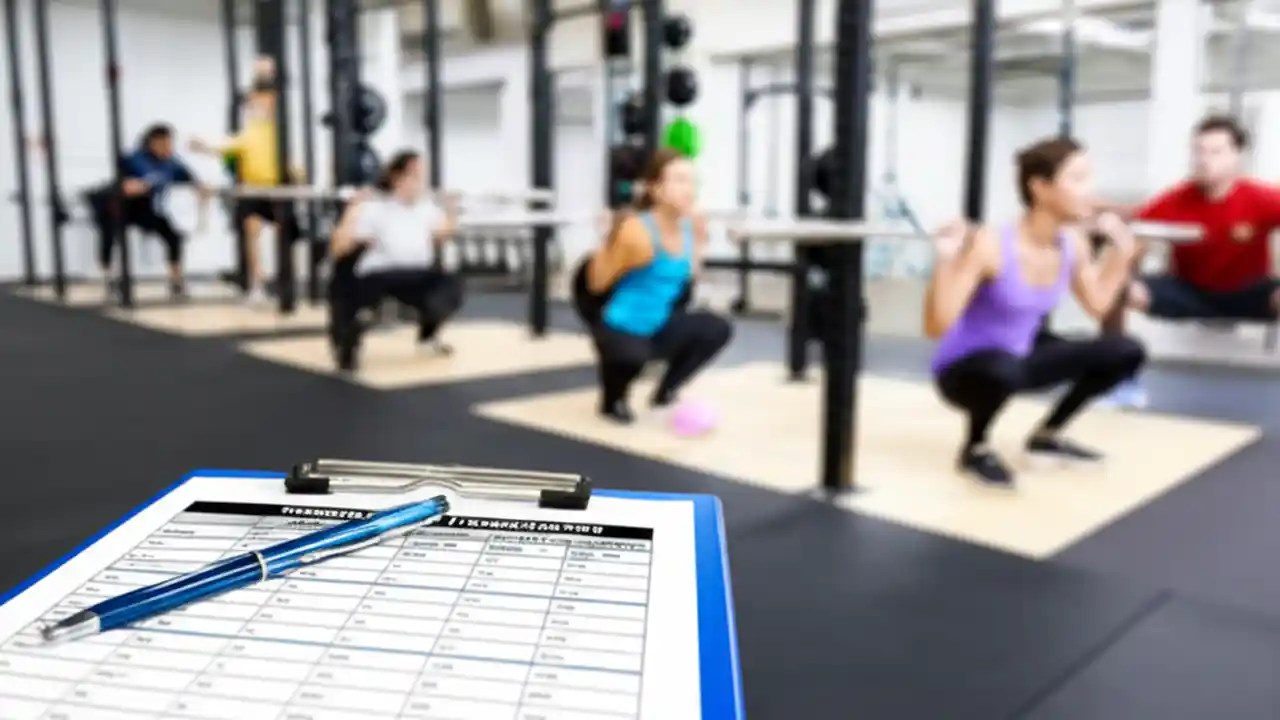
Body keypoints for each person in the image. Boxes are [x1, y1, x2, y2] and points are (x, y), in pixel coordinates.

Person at [926, 137, 1147, 486]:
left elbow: (1099, 306)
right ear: (1040, 187)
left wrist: (1121, 254)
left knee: (1125, 350)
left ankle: (1047, 436)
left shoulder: (1071, 243)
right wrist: (945, 259)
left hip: (1021, 355)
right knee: (1003, 370)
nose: (1089, 192)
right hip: (964, 371)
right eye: (1077, 179)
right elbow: (937, 325)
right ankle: (976, 447)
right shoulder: (992, 243)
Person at [1099, 115, 1280, 409]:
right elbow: (1137, 235)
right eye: (1198, 151)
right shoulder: (1176, 199)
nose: (1203, 159)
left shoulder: (1261, 197)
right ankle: (1119, 380)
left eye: (1215, 152)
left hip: (1251, 291)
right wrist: (1126, 263)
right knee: (1118, 288)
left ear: (1237, 156)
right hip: (1188, 292)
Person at [580, 149, 733, 424]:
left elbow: (688, 280)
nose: (690, 189)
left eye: (693, 181)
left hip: (659, 324)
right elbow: (595, 284)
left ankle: (666, 390)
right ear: (656, 189)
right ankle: (612, 398)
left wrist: (701, 241)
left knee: (717, 328)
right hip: (620, 326)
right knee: (632, 358)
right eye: (680, 180)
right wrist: (608, 240)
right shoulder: (637, 231)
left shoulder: (692, 227)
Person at [328, 150, 463, 372]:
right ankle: (349, 346)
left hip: (417, 275)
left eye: (421, 176)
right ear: (396, 177)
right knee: (358, 305)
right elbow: (339, 248)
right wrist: (352, 209)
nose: (419, 182)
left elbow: (444, 232)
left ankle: (427, 337)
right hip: (380, 275)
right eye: (414, 175)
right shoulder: (375, 207)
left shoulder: (427, 209)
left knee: (451, 285)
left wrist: (452, 209)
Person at [190, 56, 298, 304]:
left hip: (277, 189)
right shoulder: (249, 132)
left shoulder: (276, 128)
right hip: (252, 189)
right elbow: (224, 146)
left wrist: (298, 175)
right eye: (255, 104)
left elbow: (291, 161)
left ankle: (284, 282)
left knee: (285, 233)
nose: (259, 107)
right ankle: (257, 284)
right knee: (251, 230)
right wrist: (202, 146)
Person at [86, 123, 211, 299]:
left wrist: (201, 188)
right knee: (109, 230)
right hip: (119, 206)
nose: (168, 147)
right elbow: (121, 183)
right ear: (153, 143)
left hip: (145, 209)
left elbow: (190, 178)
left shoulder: (172, 163)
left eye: (170, 143)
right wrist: (127, 186)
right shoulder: (133, 159)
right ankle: (107, 278)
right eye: (164, 143)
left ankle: (176, 280)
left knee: (173, 233)